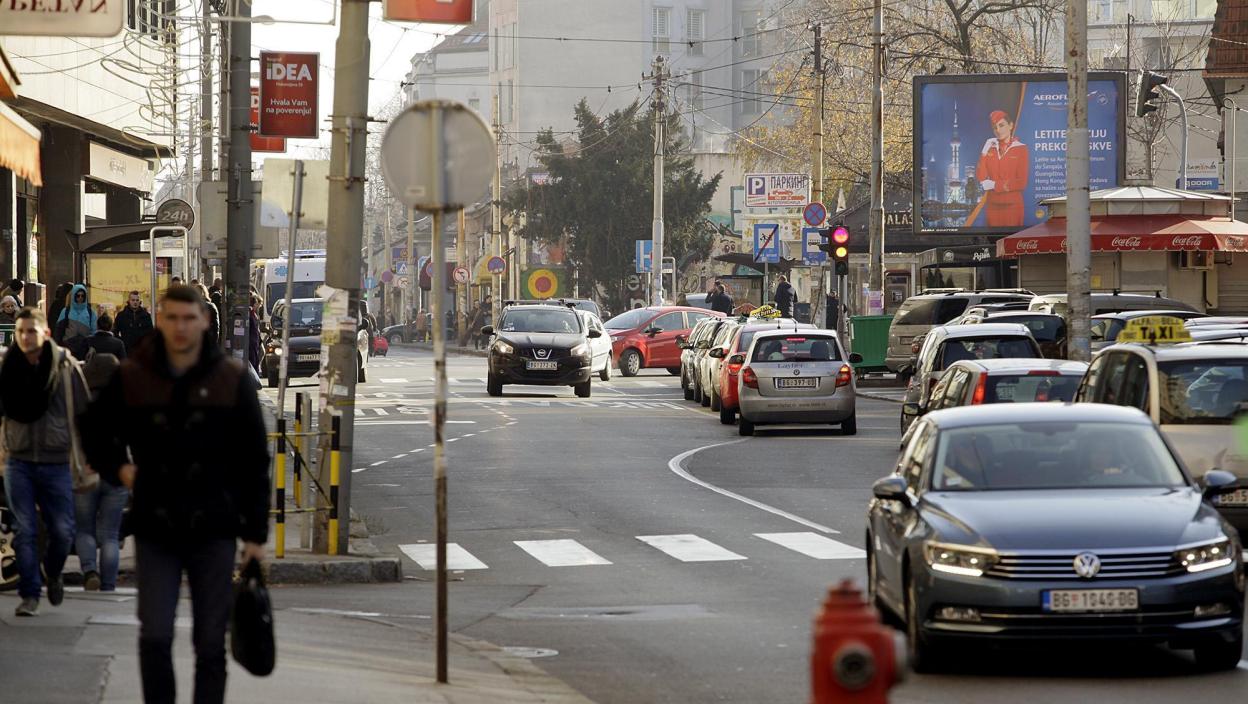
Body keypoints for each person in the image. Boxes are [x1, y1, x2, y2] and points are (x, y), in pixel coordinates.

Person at [82, 285, 269, 704]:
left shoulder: (231, 379)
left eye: (190, 318)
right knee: (155, 635)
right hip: (157, 524)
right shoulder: (135, 375)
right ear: (159, 319)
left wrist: (255, 536)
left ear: (204, 320)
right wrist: (121, 469)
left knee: (209, 643)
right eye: (172, 318)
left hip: (215, 526)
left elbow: (255, 460)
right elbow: (94, 427)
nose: (181, 327)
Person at [1, 307, 90, 616]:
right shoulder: (6, 366)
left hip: (56, 462)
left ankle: (53, 573)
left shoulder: (66, 367)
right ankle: (29, 595)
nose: (25, 337)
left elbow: (84, 414)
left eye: (31, 331)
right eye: (20, 332)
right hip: (18, 461)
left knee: (63, 530)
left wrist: (91, 457)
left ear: (46, 334)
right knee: (24, 530)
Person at [975, 109, 1029, 227]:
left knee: (1012, 242)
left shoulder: (1021, 149)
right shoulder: (990, 149)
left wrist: (994, 185)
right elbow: (981, 177)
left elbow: (1021, 183)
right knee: (992, 241)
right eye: (995, 127)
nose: (998, 130)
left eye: (1001, 125)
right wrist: (984, 151)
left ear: (1011, 126)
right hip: (993, 207)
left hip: (1013, 206)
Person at [56, 284, 97, 357]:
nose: (80, 298)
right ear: (73, 296)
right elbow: (59, 331)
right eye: (78, 296)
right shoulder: (66, 311)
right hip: (68, 347)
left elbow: (94, 331)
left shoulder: (91, 312)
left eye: (82, 296)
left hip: (85, 348)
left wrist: (92, 347)